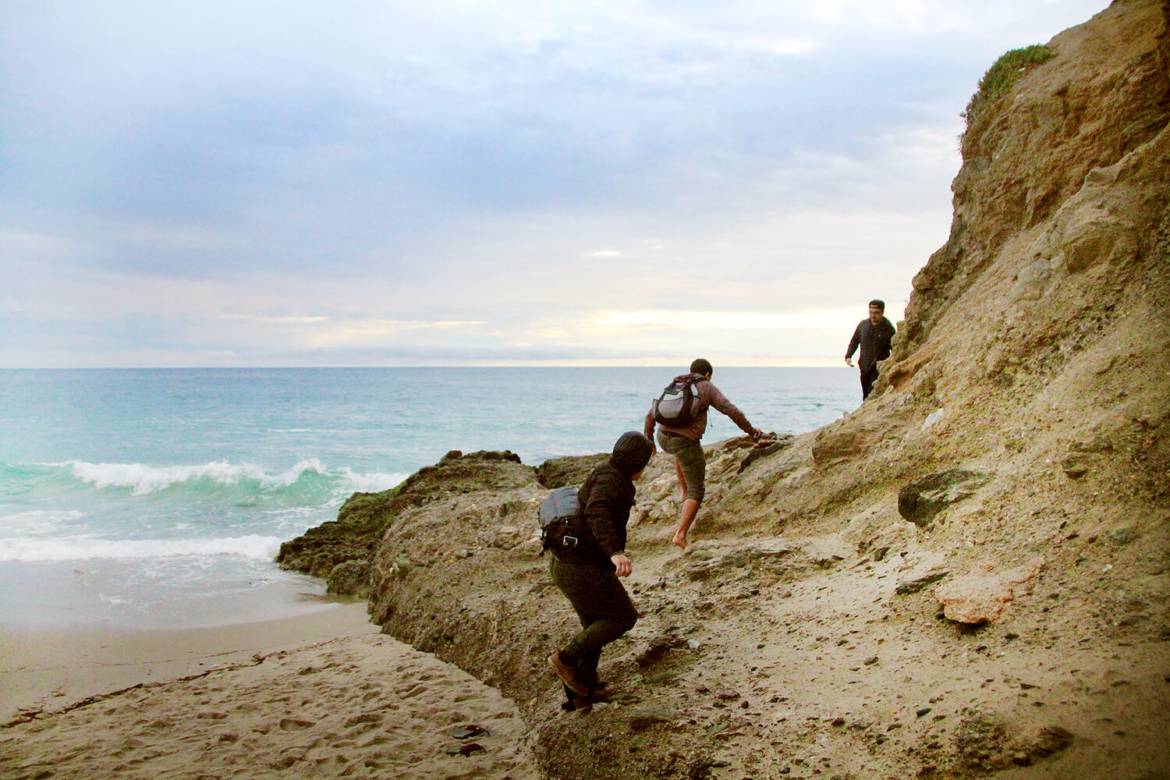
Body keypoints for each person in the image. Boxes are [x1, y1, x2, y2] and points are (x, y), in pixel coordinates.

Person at [548, 431, 654, 711]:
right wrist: (615, 552)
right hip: (581, 567)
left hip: (568, 562)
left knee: (594, 623)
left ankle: (582, 692)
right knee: (623, 617)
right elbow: (597, 510)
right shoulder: (611, 481)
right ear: (638, 463)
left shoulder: (606, 470)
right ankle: (566, 659)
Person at [643, 358, 762, 551]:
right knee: (697, 489)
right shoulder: (706, 387)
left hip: (663, 437)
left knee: (680, 456)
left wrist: (649, 440)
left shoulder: (677, 384)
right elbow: (729, 409)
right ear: (708, 374)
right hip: (684, 441)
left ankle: (684, 494)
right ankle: (680, 534)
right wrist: (751, 431)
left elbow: (650, 415)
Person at [845, 299, 896, 400]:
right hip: (864, 365)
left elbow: (895, 347)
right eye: (871, 312)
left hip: (879, 367)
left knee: (872, 393)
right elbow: (854, 341)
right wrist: (848, 356)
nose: (873, 315)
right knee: (865, 395)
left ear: (882, 312)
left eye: (876, 313)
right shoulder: (863, 325)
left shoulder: (888, 327)